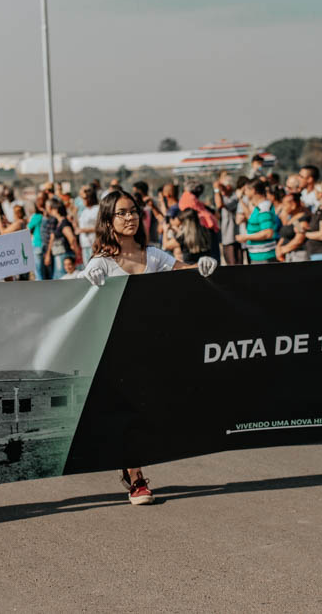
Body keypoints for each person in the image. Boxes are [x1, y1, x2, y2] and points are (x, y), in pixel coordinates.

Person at [82, 189, 217, 505]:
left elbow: (183, 269)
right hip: (114, 351)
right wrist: (89, 275)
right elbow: (83, 295)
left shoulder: (154, 255)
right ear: (108, 219)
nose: (129, 218)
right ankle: (137, 477)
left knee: (148, 413)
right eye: (122, 213)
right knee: (127, 413)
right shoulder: (101, 262)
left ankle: (131, 464)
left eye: (133, 211)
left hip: (152, 349)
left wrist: (203, 266)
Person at [235, 179, 279, 264]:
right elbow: (253, 219)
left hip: (264, 256)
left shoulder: (264, 208)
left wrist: (246, 237)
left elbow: (268, 233)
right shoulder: (260, 207)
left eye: (246, 190)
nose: (245, 193)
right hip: (259, 256)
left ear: (253, 191)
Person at [45, 199, 79, 279]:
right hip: (59, 255)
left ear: (56, 210)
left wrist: (74, 249)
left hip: (64, 255)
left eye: (52, 209)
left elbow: (71, 238)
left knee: (63, 278)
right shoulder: (59, 223)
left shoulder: (64, 223)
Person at [214, 173, 242, 265]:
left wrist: (216, 190)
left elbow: (219, 204)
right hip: (226, 237)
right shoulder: (224, 197)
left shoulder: (234, 197)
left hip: (232, 237)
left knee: (234, 265)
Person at [275, 192, 310, 262]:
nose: (283, 207)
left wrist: (283, 249)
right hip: (288, 256)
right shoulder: (293, 219)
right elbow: (284, 235)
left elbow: (299, 239)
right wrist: (278, 248)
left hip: (297, 256)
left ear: (293, 205)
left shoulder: (301, 220)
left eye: (285, 205)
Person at [76, 187, 99, 262]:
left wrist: (85, 230)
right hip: (85, 244)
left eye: (85, 198)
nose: (83, 200)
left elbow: (101, 227)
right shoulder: (84, 211)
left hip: (94, 243)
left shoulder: (97, 209)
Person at [28, 195, 46, 280]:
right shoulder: (46, 216)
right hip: (45, 245)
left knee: (38, 273)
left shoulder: (37, 216)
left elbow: (28, 228)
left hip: (37, 244)